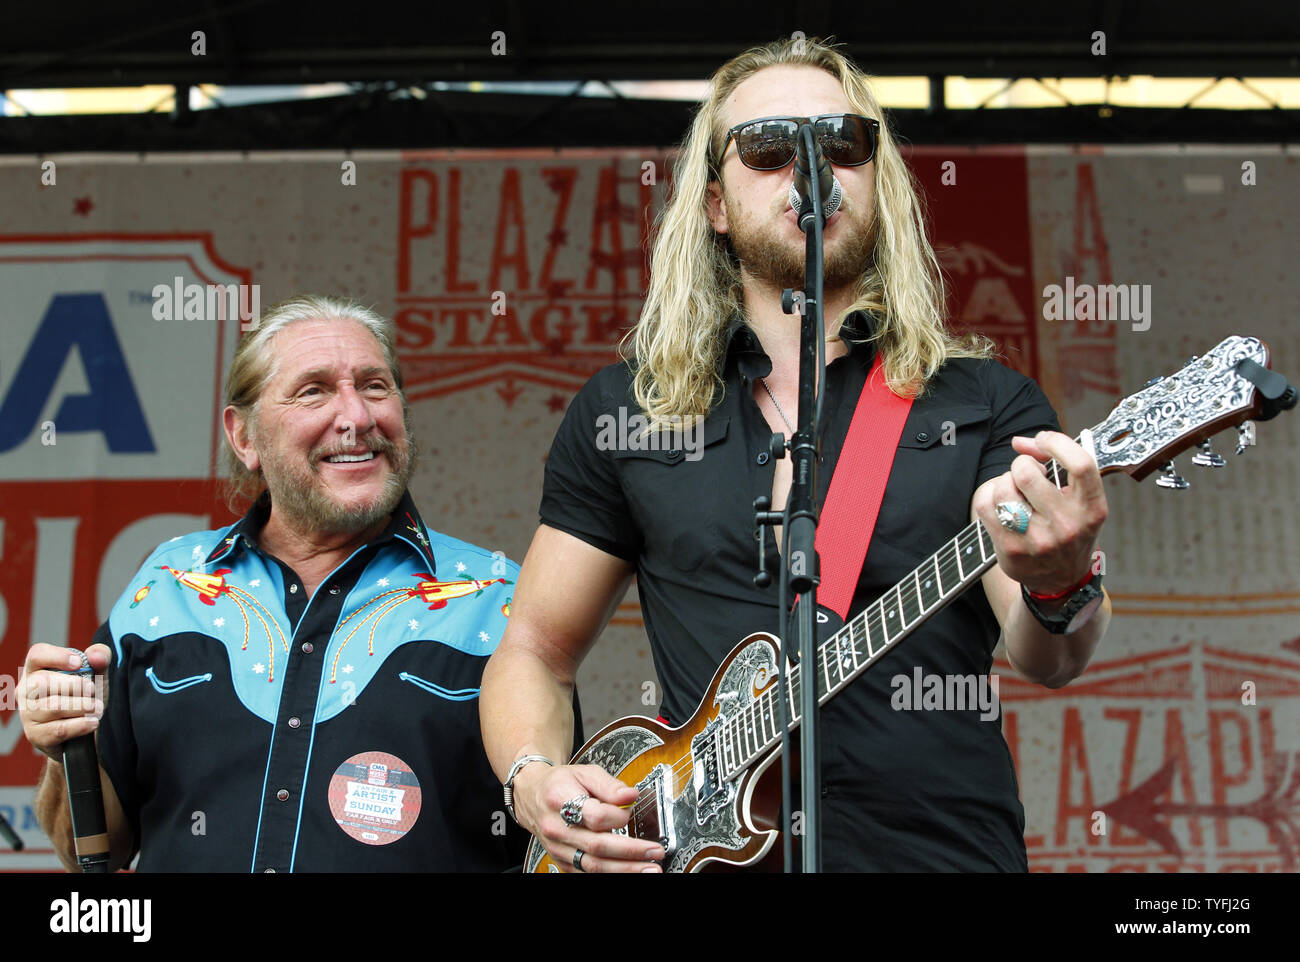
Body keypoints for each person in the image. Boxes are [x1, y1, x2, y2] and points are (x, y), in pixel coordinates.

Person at [480, 37, 1112, 872]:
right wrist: (533, 781)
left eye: (842, 145)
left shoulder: (982, 403)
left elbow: (1049, 655)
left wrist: (1061, 580)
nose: (812, 171)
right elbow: (534, 648)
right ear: (713, 204)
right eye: (772, 149)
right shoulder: (627, 412)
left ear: (875, 181)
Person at [20, 295, 542, 872]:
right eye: (314, 390)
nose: (357, 418)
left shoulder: (498, 601)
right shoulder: (167, 586)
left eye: (374, 386)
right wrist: (62, 744)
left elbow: (558, 844)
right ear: (244, 437)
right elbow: (92, 850)